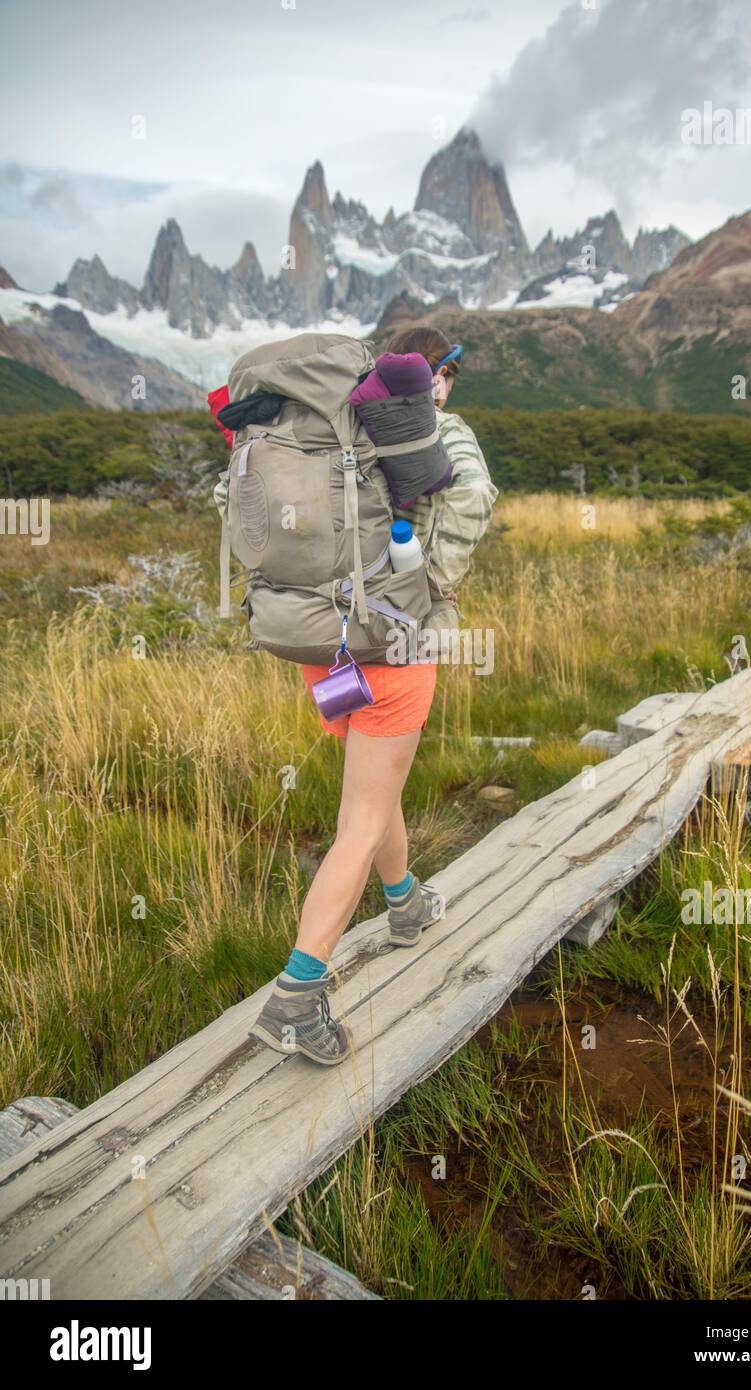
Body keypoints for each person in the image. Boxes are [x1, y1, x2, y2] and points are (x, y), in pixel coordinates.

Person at [242, 327, 498, 1064]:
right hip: (396, 646)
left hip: (319, 647)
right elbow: (475, 497)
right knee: (360, 815)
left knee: (370, 780)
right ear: (439, 375)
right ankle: (296, 995)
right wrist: (435, 586)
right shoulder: (435, 428)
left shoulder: (329, 427)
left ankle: (404, 902)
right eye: (447, 375)